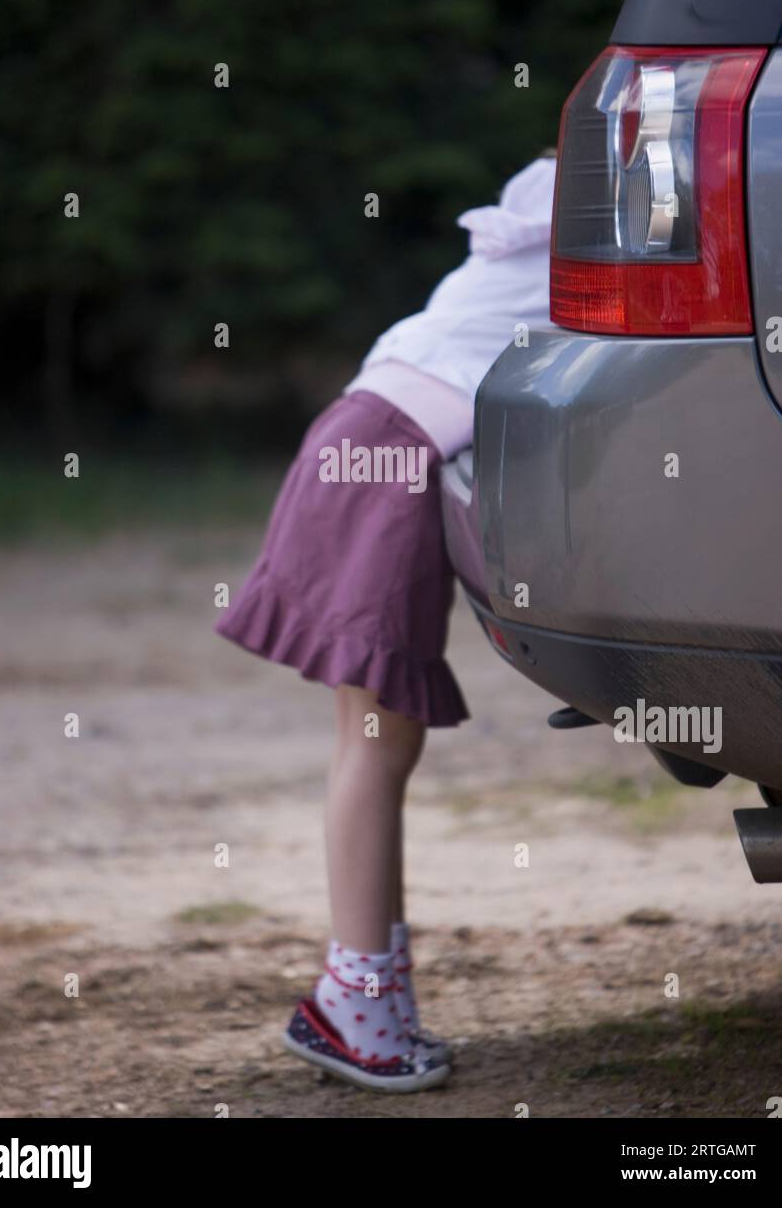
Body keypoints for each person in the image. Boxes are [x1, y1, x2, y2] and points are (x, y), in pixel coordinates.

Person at [216, 153, 556, 1092]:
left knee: (378, 742)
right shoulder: (604, 206)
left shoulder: (549, 206)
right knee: (373, 742)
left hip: (368, 440)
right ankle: (351, 999)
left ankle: (369, 993)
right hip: (379, 462)